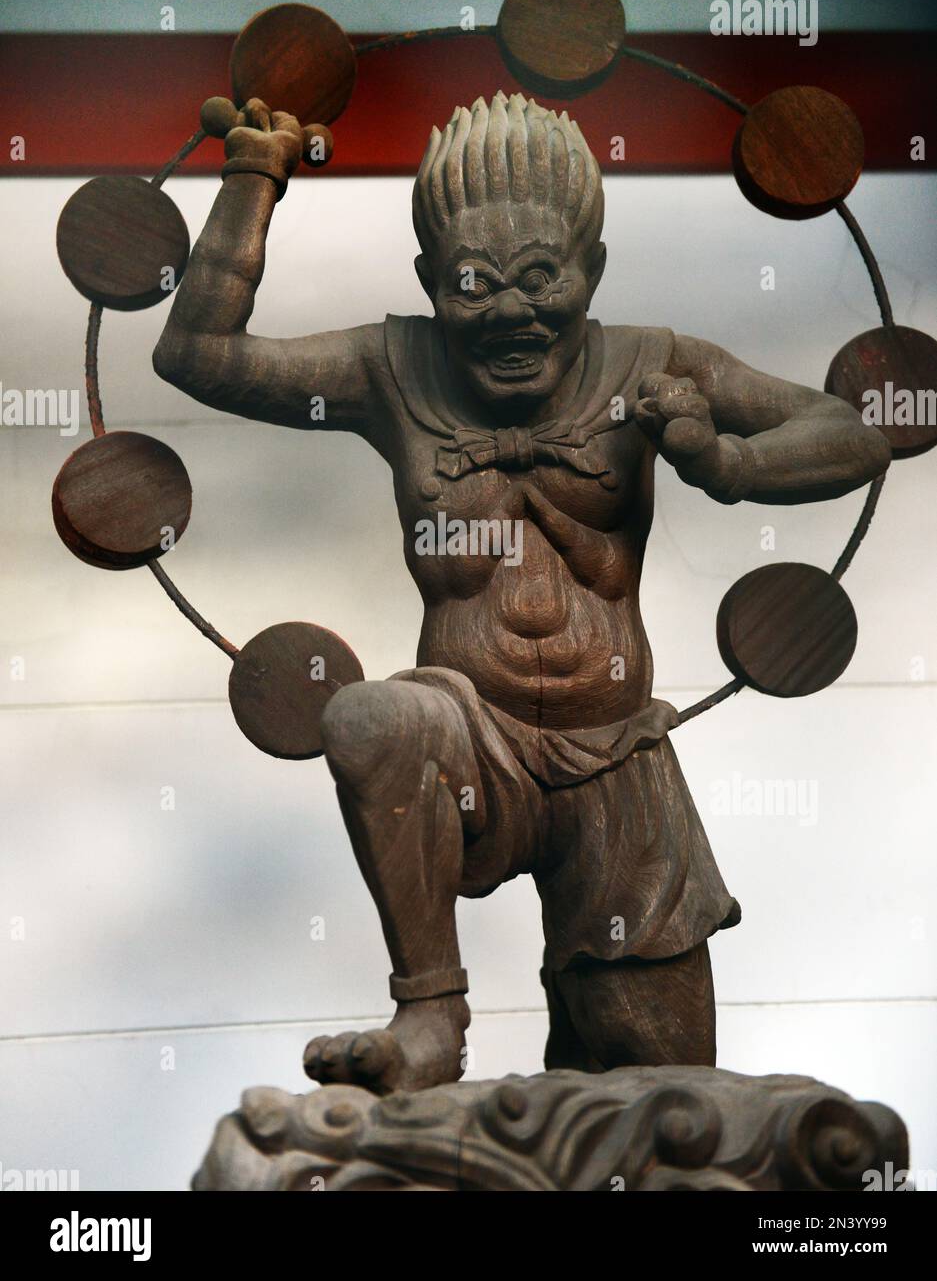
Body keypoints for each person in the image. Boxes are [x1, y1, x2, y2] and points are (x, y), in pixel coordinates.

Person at [154, 91, 890, 1093]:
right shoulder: (391, 366)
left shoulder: (649, 363)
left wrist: (726, 462)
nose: (510, 312)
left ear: (592, 270)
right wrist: (252, 181)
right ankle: (428, 1013)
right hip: (467, 740)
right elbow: (197, 355)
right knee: (372, 718)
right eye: (474, 285)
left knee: (660, 1087)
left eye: (541, 278)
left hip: (615, 764)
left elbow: (847, 429)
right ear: (428, 282)